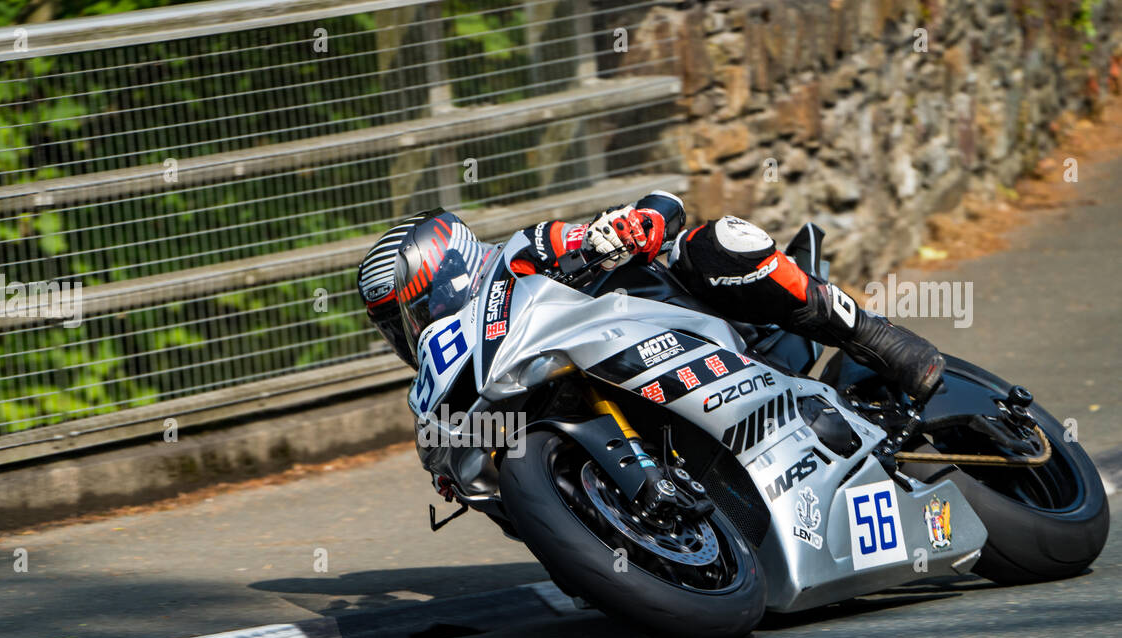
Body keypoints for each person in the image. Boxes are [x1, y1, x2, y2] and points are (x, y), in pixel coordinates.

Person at [355, 190, 944, 400]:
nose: (408, 333)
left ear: (445, 272)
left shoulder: (521, 255)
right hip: (616, 392)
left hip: (701, 326)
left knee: (719, 242)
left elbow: (661, 201)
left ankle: (873, 335)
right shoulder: (456, 379)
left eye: (409, 312)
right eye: (394, 326)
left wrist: (631, 226)